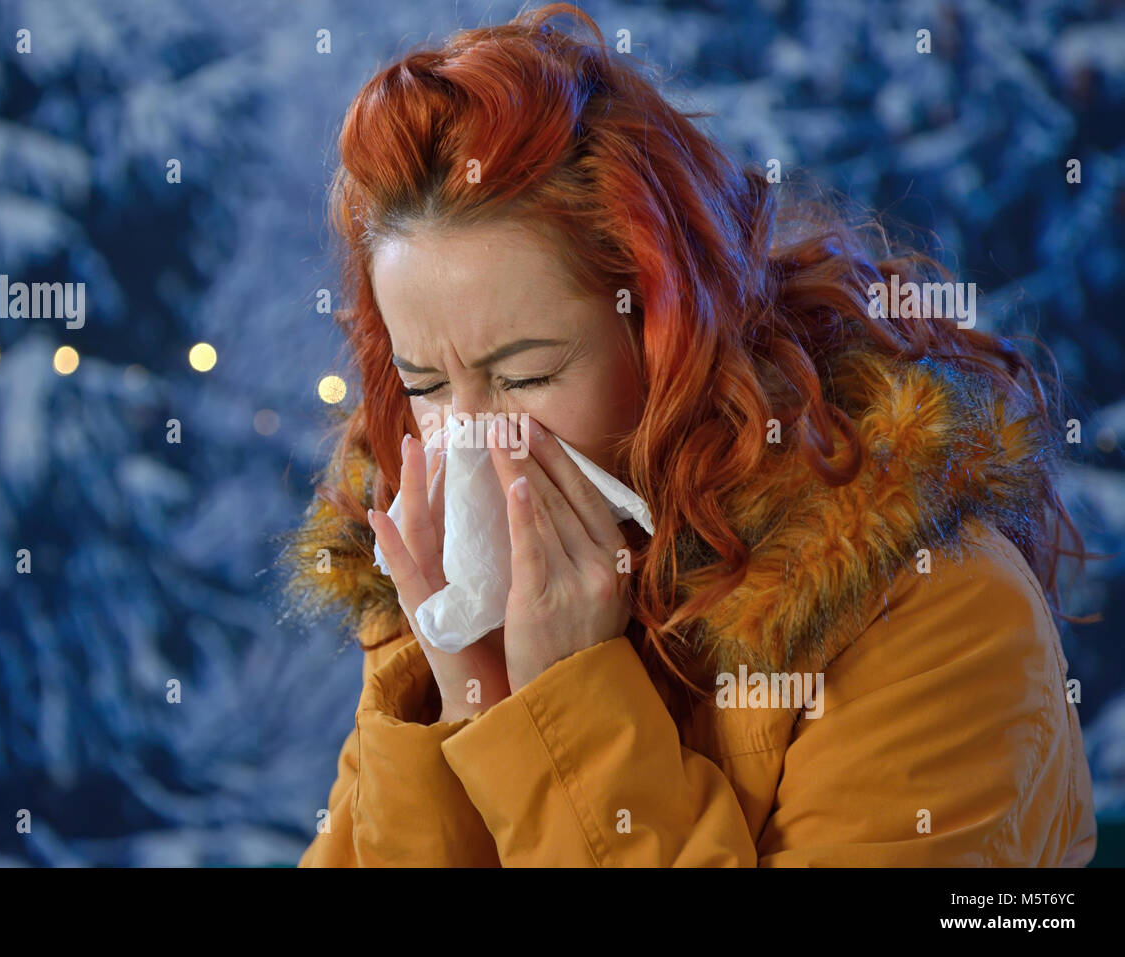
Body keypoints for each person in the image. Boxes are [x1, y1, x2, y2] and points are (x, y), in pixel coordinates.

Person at [277, 3, 1098, 866]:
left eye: (526, 376)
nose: (475, 441)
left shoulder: (932, 611)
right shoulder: (438, 597)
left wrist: (567, 709)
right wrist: (471, 699)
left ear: (667, 340)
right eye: (427, 386)